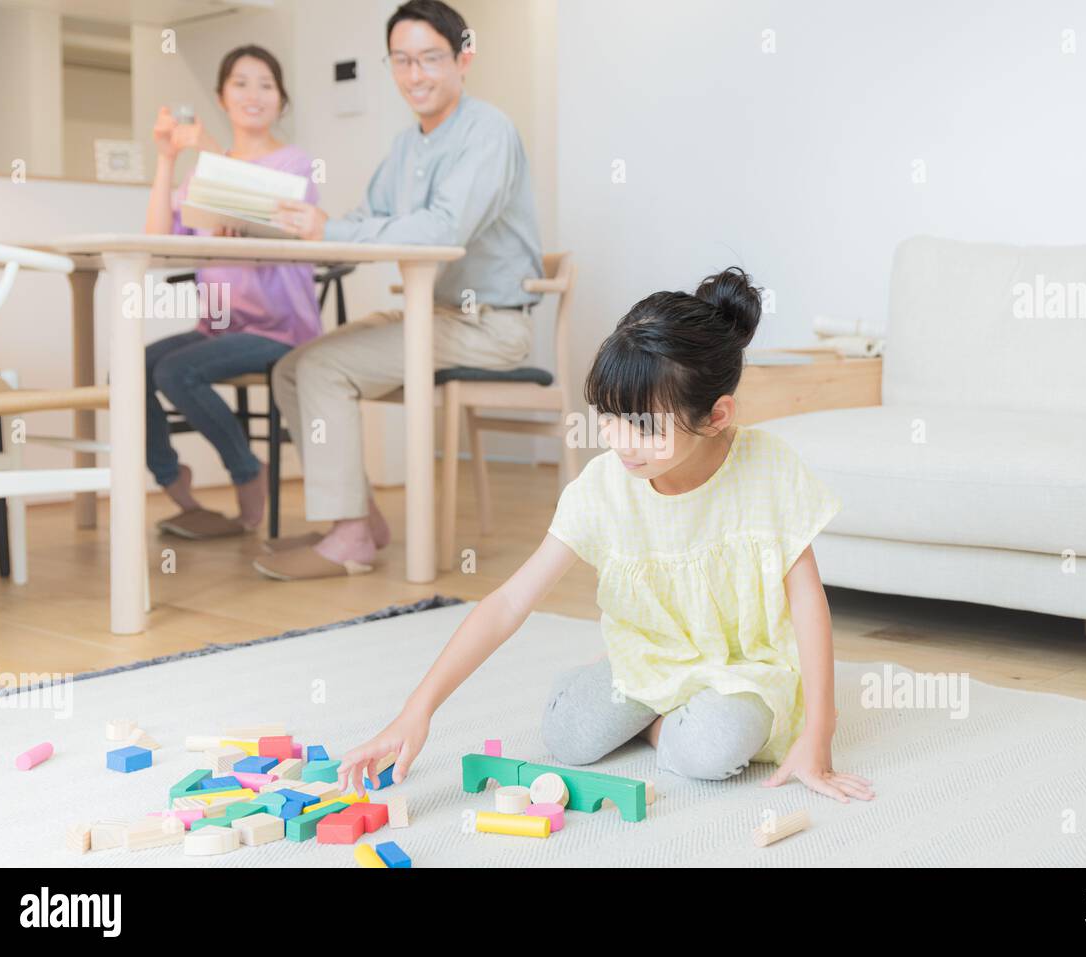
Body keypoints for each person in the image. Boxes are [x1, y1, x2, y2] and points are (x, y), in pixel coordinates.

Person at [333, 267, 876, 798]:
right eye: (609, 416)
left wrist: (817, 733)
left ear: (715, 416)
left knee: (714, 750)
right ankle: (652, 705)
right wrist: (416, 711)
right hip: (651, 654)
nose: (620, 440)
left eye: (644, 425)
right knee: (568, 737)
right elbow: (508, 603)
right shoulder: (605, 487)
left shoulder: (768, 469)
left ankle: (660, 720)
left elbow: (807, 600)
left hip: (745, 668)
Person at [253, 0, 543, 580]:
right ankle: (357, 520)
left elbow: (443, 230)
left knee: (321, 369)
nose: (415, 75)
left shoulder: (488, 131)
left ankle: (351, 536)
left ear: (465, 58)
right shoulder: (407, 146)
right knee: (291, 367)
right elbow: (368, 216)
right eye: (402, 60)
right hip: (433, 314)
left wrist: (332, 230)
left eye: (431, 58)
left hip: (489, 325)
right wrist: (303, 227)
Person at [144, 45, 321, 539]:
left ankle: (246, 470)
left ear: (281, 100)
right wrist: (166, 160)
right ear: (221, 96)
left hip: (281, 329)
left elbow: (261, 209)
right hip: (220, 326)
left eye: (266, 84)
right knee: (131, 369)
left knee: (176, 370)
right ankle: (172, 479)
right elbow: (157, 241)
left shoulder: (294, 164)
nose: (253, 94)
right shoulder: (205, 168)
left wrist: (208, 152)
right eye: (240, 83)